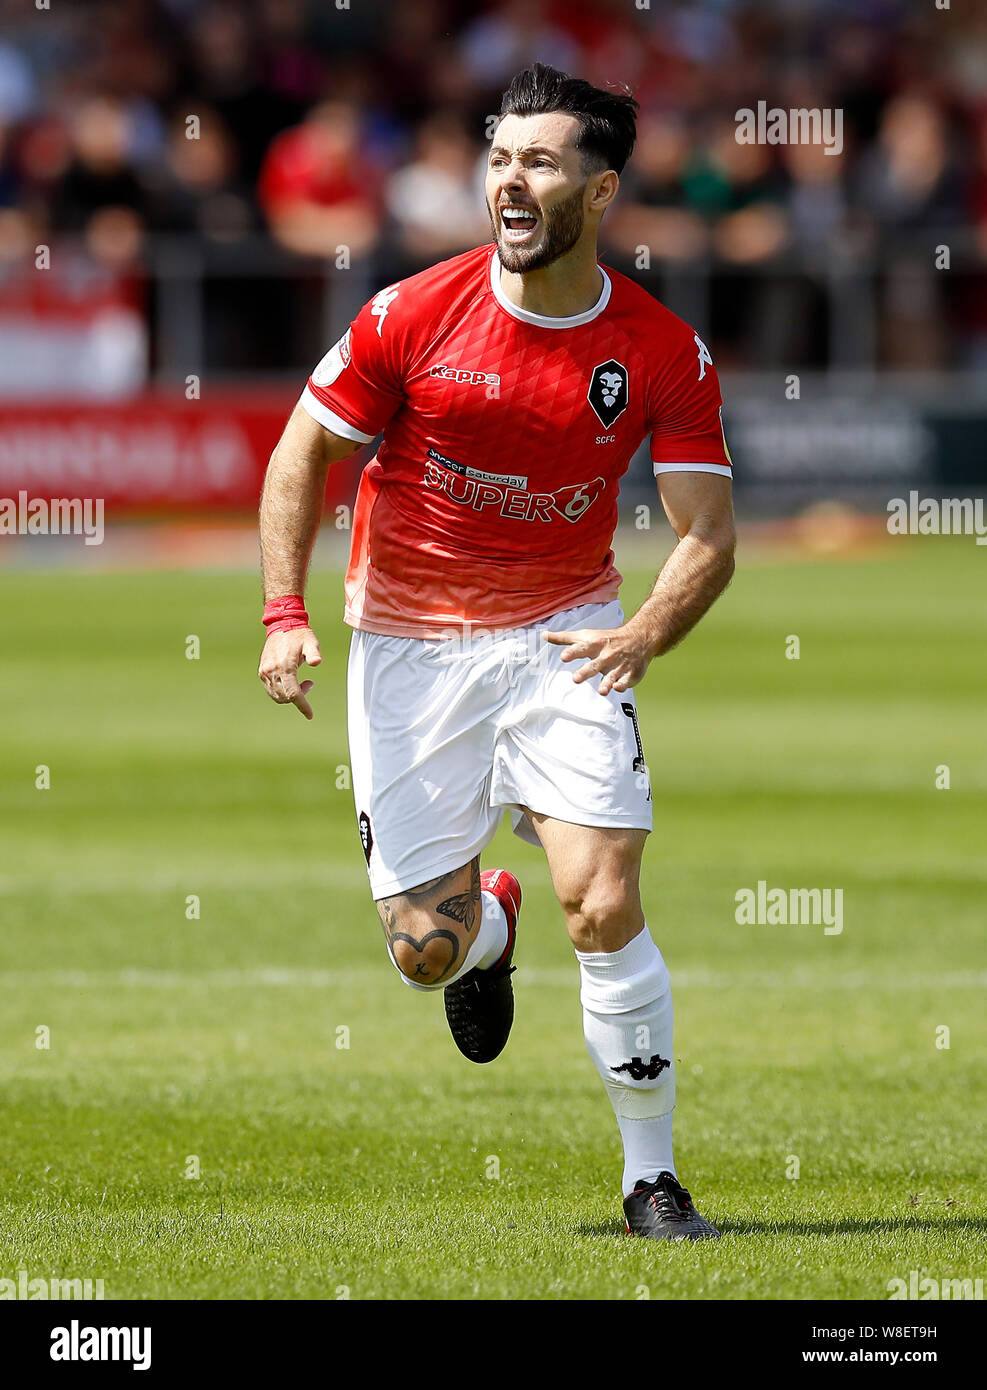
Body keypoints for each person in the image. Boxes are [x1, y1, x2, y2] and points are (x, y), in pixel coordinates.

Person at [258, 64, 735, 1240]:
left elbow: (708, 537)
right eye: (499, 159)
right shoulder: (411, 311)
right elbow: (300, 458)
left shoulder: (661, 348)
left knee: (606, 899)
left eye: (539, 162)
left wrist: (640, 633)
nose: (508, 182)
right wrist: (284, 611)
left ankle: (651, 1178)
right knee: (426, 950)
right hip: (412, 648)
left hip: (563, 638)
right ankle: (492, 929)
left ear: (600, 188)